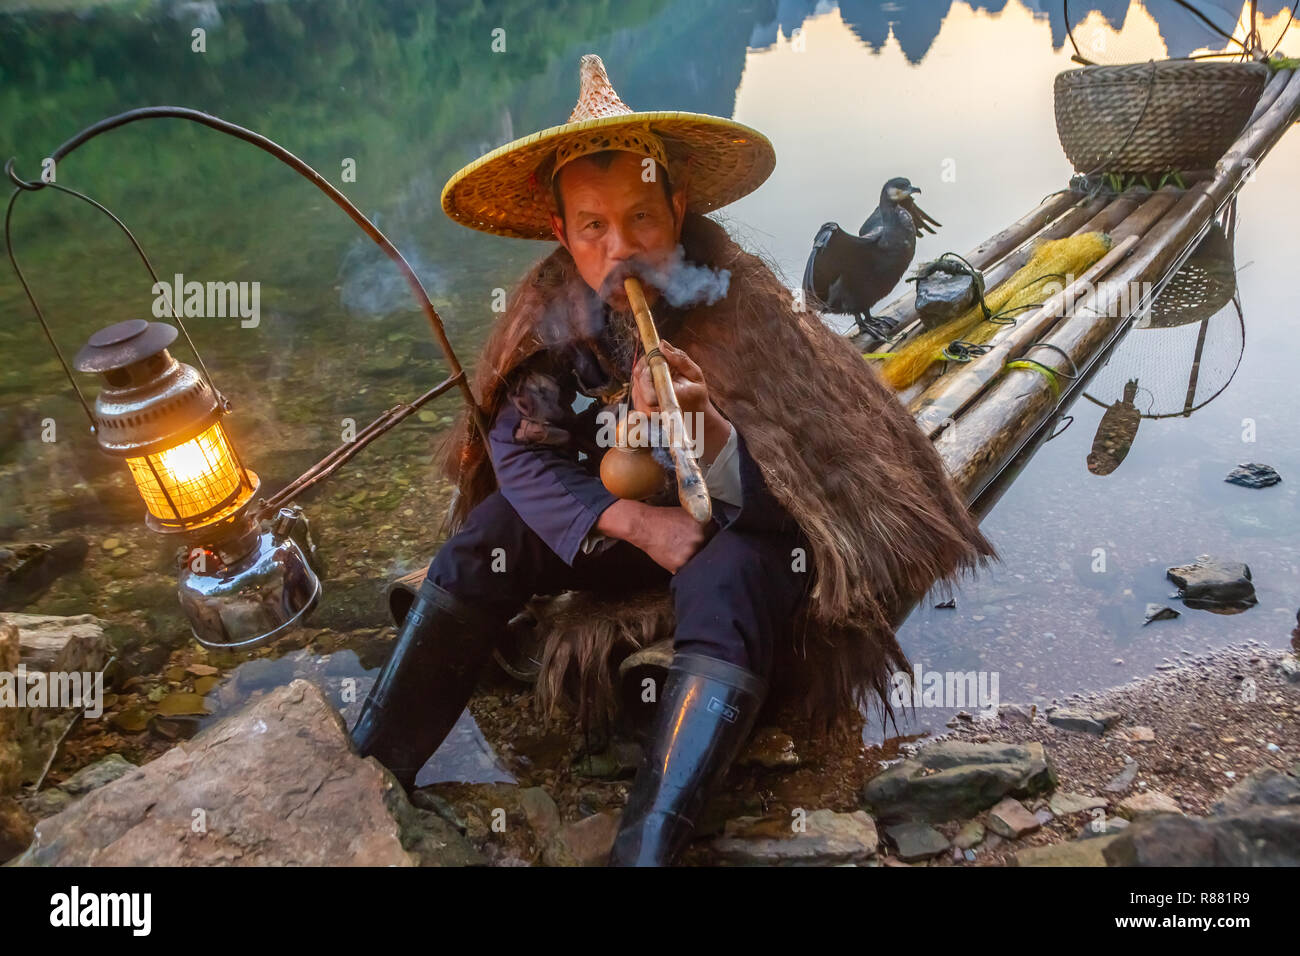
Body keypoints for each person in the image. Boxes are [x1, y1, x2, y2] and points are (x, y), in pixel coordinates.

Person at [351, 54, 994, 866]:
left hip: (741, 543)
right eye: (593, 227)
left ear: (678, 206)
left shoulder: (740, 299)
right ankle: (369, 770)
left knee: (727, 575)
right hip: (628, 536)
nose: (621, 249)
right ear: (563, 235)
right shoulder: (551, 313)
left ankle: (647, 844)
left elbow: (816, 491)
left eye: (643, 221)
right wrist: (635, 521)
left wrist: (717, 440)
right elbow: (519, 451)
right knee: (486, 536)